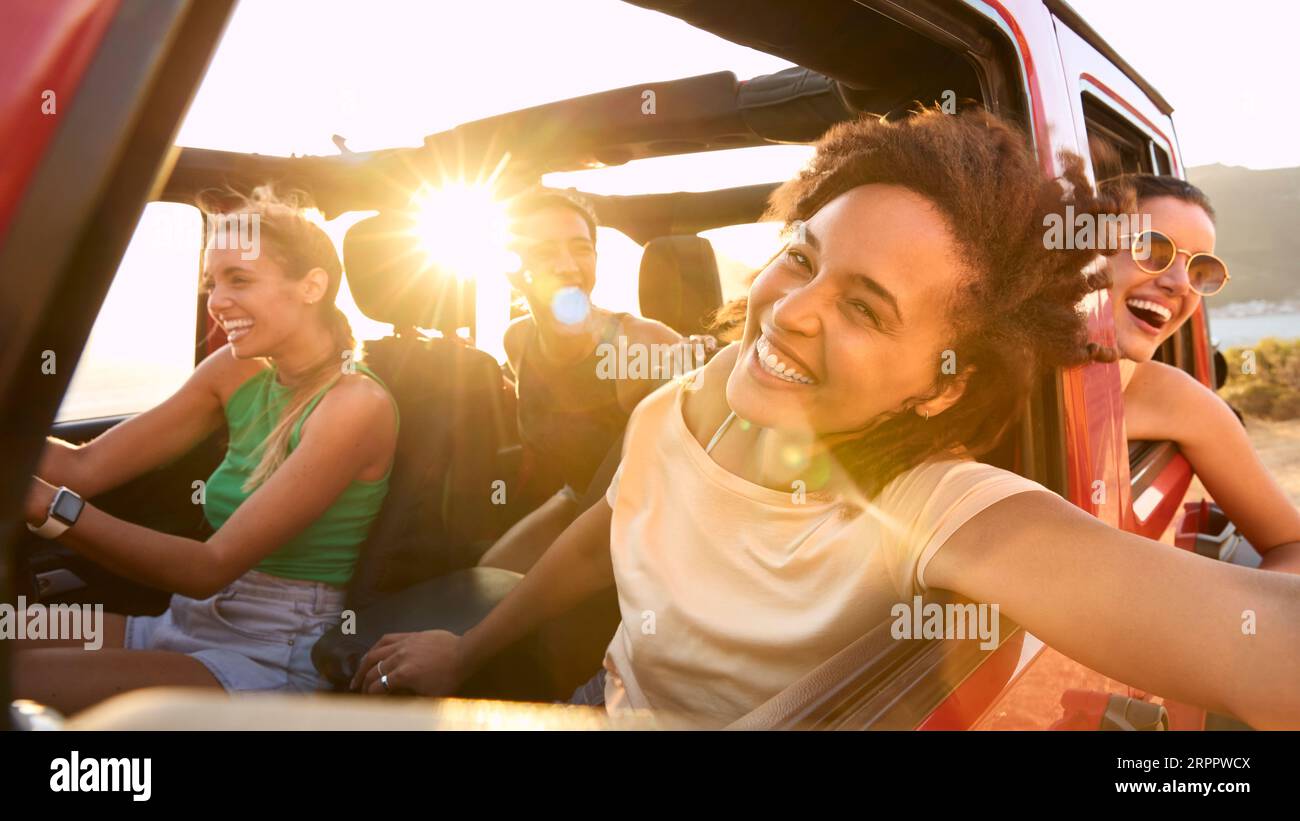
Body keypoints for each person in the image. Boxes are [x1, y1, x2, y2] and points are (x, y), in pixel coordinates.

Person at [352, 109, 1300, 729]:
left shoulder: (933, 503)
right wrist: (469, 648)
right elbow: (612, 522)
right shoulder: (707, 382)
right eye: (803, 258)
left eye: (866, 308)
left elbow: (1259, 628)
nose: (791, 310)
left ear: (940, 386)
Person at [16, 188, 399, 714]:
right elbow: (82, 466)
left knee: (15, 678)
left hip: (274, 649)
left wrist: (47, 507)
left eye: (239, 280)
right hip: (187, 620)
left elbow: (207, 566)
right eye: (211, 283)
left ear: (312, 286)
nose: (216, 301)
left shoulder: (355, 403)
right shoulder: (236, 369)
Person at [477, 188, 700, 573]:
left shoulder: (643, 345)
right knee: (489, 576)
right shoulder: (518, 341)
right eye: (545, 251)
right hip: (578, 500)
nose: (567, 265)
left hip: (658, 524)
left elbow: (690, 482)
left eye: (581, 248)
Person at [1100, 174, 1300, 572]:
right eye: (1151, 249)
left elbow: (1291, 543)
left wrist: (1228, 628)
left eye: (1199, 269)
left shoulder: (1168, 396)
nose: (1179, 284)